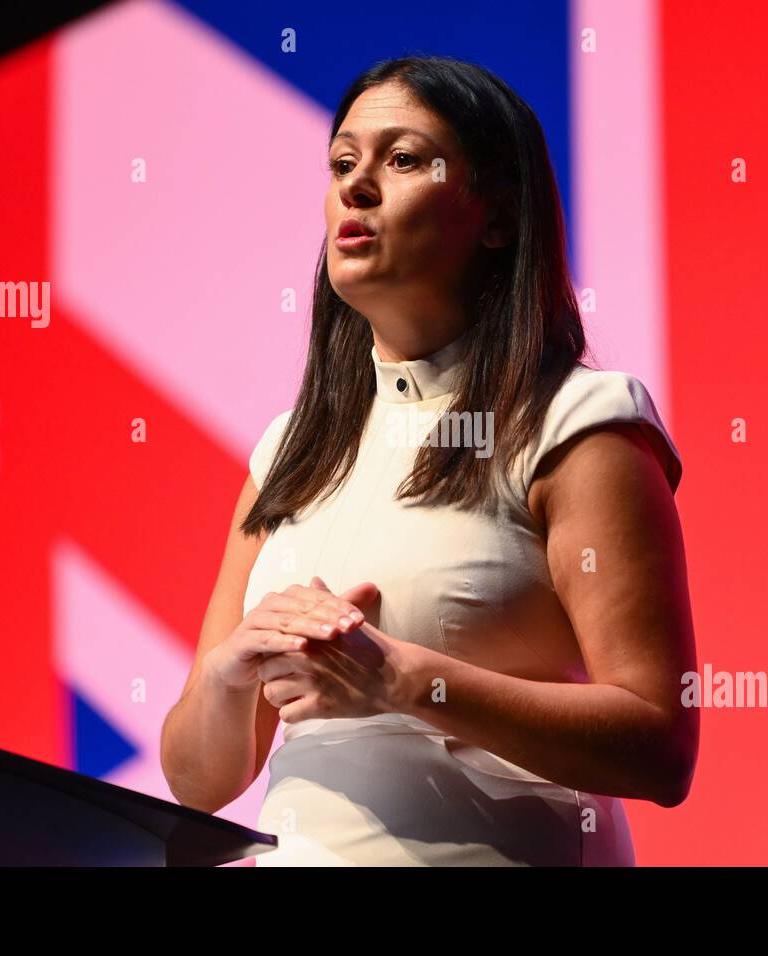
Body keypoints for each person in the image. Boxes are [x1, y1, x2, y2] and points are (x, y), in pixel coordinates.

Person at [161, 55, 698, 866]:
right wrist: (232, 673)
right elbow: (199, 782)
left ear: (499, 216)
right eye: (343, 163)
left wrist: (405, 682)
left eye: (403, 159)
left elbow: (660, 744)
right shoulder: (288, 452)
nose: (357, 186)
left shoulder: (577, 421)